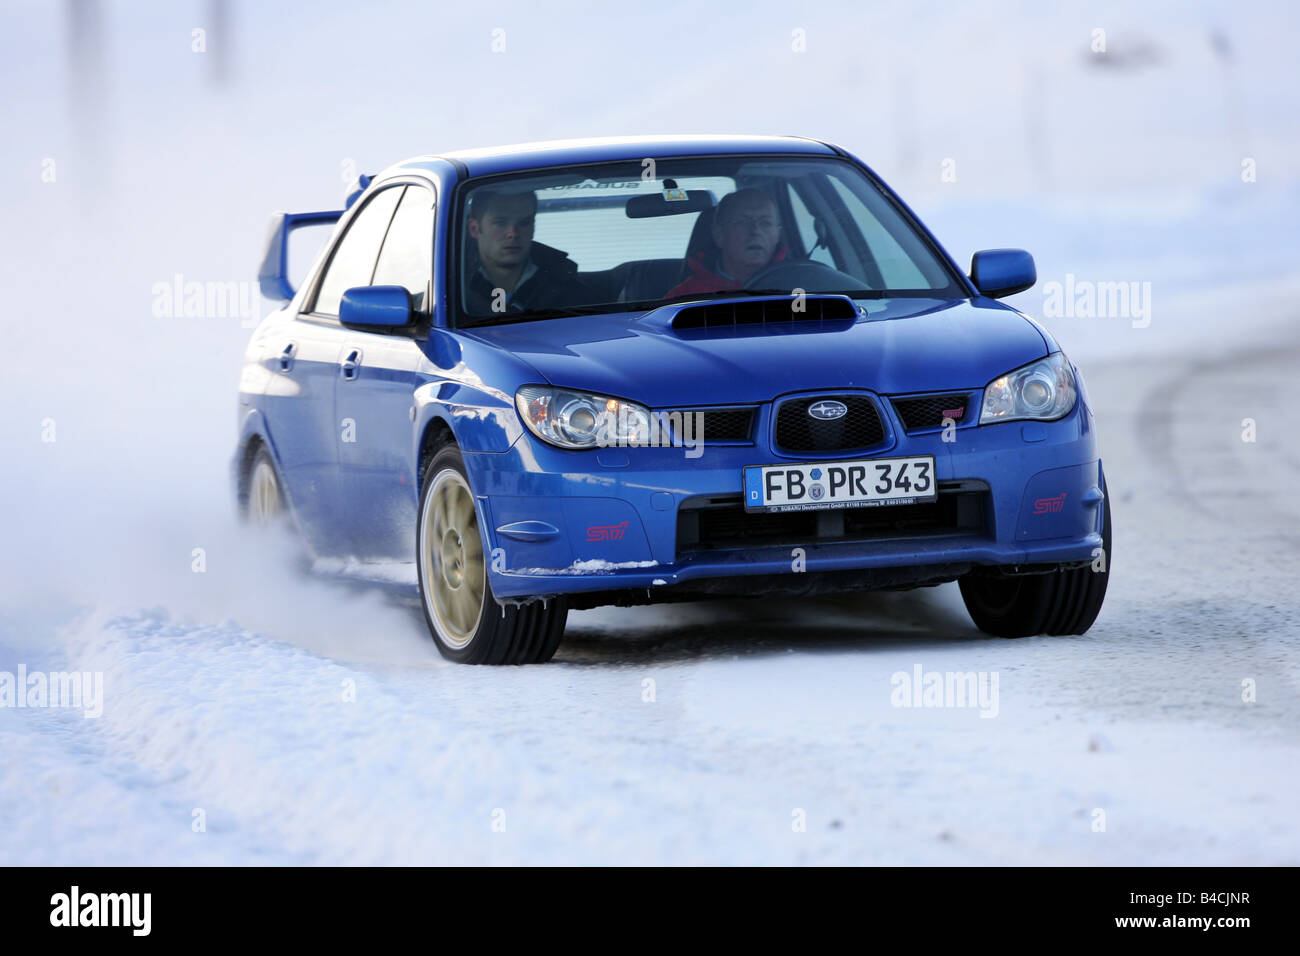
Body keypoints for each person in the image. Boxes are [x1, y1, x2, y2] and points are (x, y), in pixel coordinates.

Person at [463, 189, 590, 315]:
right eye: (500, 223)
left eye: (524, 223)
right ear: (474, 228)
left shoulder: (567, 286)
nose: (513, 234)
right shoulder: (449, 284)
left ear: (533, 227)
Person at [664, 188, 788, 299]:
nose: (755, 231)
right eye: (742, 222)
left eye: (765, 222)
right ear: (719, 235)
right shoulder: (685, 296)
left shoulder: (796, 285)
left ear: (778, 234)